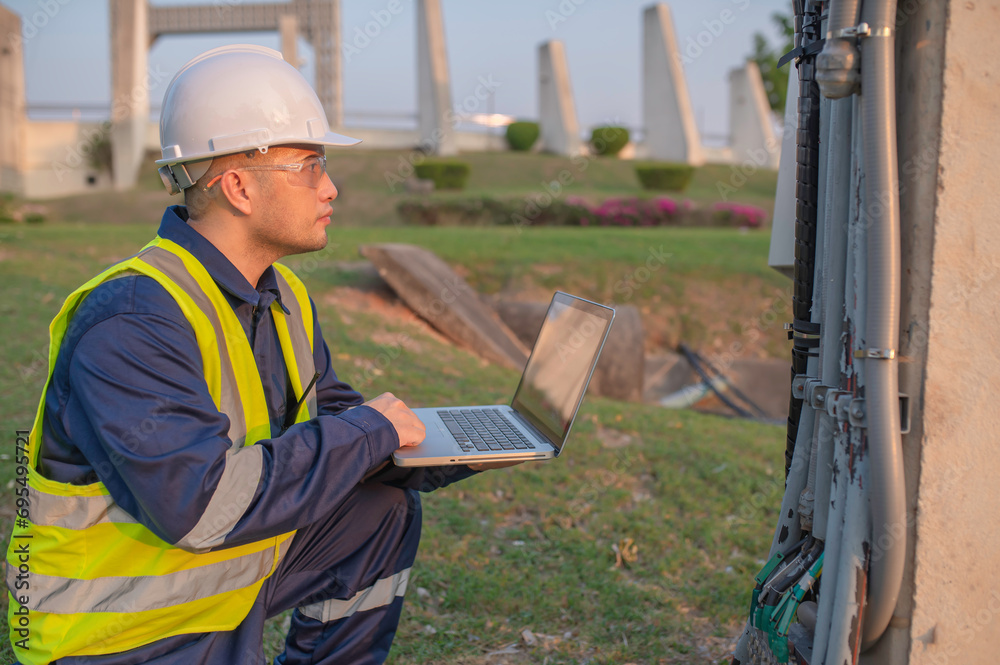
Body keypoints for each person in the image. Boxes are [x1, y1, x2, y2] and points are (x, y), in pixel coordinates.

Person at [7, 44, 501, 665]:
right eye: (311, 165)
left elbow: (335, 425)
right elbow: (199, 507)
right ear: (238, 186)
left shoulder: (282, 294)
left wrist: (464, 448)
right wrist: (366, 433)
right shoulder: (133, 318)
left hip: (214, 583)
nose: (332, 188)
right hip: (121, 630)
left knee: (378, 509)